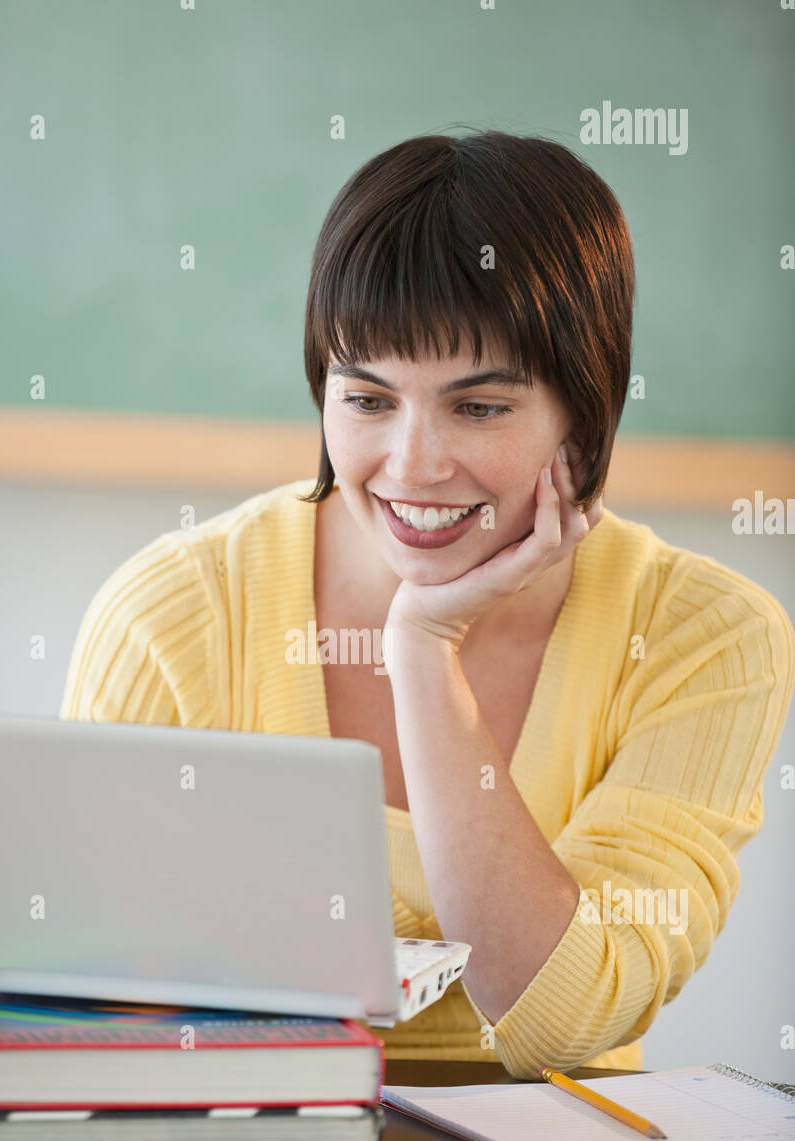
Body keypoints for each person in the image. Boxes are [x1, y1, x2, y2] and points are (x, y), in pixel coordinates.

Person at [60, 130, 794, 1079]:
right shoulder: (174, 612)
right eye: (366, 400)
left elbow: (561, 1023)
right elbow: (81, 1016)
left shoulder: (709, 638)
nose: (412, 465)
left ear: (586, 411)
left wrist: (421, 653)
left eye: (478, 408)